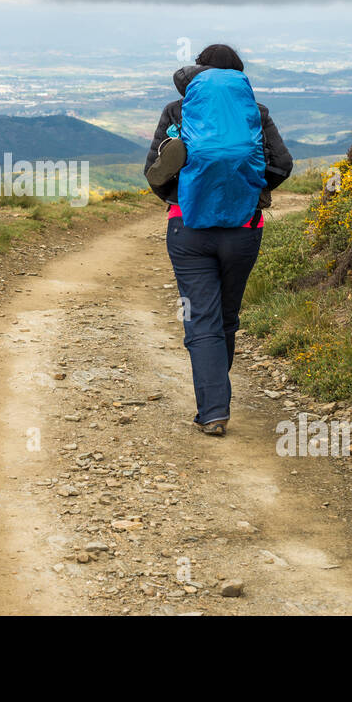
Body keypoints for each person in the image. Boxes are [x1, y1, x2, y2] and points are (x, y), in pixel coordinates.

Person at [143, 44, 293, 435]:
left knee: (200, 319)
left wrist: (178, 200)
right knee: (226, 317)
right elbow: (282, 164)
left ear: (199, 73)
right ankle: (215, 401)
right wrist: (250, 192)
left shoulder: (178, 112)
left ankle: (213, 411)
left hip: (188, 230)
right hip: (243, 231)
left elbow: (154, 171)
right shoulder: (254, 114)